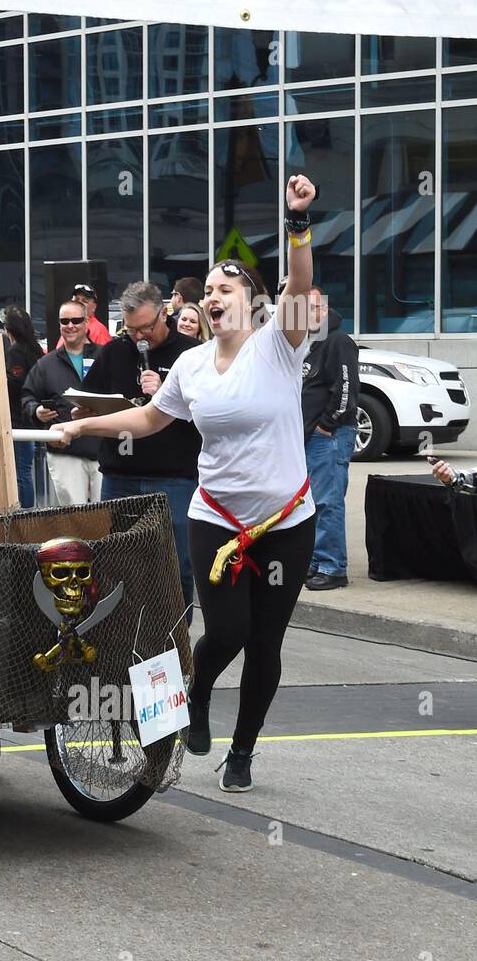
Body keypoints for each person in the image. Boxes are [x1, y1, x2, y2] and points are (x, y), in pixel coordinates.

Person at [54, 174, 321, 795]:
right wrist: (86, 423)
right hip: (217, 518)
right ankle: (197, 700)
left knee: (265, 642)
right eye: (208, 290)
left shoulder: (279, 346)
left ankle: (243, 752)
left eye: (227, 288)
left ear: (253, 302)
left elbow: (301, 287)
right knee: (225, 630)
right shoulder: (191, 364)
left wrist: (297, 222)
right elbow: (149, 419)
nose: (214, 295)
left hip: (284, 519)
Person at [79, 281, 202, 614]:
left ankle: (176, 634)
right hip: (120, 477)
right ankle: (124, 632)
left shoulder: (192, 354)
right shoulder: (114, 352)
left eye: (145, 328)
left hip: (174, 479)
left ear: (164, 314)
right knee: (117, 561)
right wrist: (81, 411)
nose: (138, 337)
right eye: (130, 329)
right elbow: (90, 395)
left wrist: (166, 392)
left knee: (176, 561)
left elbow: (208, 412)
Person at [297, 281, 358, 591]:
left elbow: (346, 388)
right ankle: (317, 562)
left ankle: (333, 567)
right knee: (311, 503)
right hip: (309, 438)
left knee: (327, 501)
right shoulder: (307, 343)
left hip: (328, 437)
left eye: (312, 307)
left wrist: (326, 425)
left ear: (324, 308)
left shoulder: (337, 341)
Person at [22, 297, 101, 505]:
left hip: (103, 449)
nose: (70, 326)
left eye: (76, 320)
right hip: (65, 451)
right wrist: (36, 410)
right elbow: (27, 396)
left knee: (108, 515)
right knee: (74, 517)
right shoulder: (45, 364)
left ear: (86, 322)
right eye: (64, 321)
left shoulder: (104, 357)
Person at [1, 306, 44, 508]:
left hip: (18, 418)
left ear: (9, 330)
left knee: (22, 471)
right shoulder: (36, 349)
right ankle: (35, 507)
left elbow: (15, 382)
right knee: (31, 469)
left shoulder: (15, 351)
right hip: (34, 415)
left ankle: (26, 512)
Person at [53, 284, 112, 350]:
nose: (79, 304)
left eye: (84, 301)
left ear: (94, 307)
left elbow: (106, 358)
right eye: (76, 300)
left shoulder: (99, 332)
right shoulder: (68, 327)